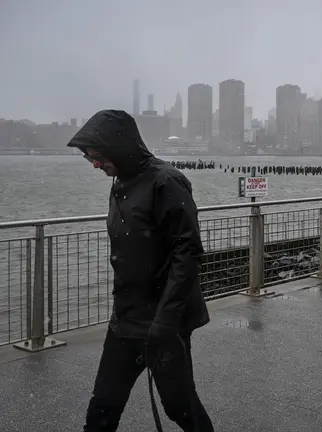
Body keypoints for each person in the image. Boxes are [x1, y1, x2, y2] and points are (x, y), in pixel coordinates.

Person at [68, 109, 214, 432]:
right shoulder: (119, 182)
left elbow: (187, 254)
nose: (95, 164)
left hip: (164, 323)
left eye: (98, 156)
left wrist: (165, 322)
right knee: (101, 409)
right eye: (90, 158)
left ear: (118, 148)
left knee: (180, 407)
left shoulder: (168, 182)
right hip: (124, 322)